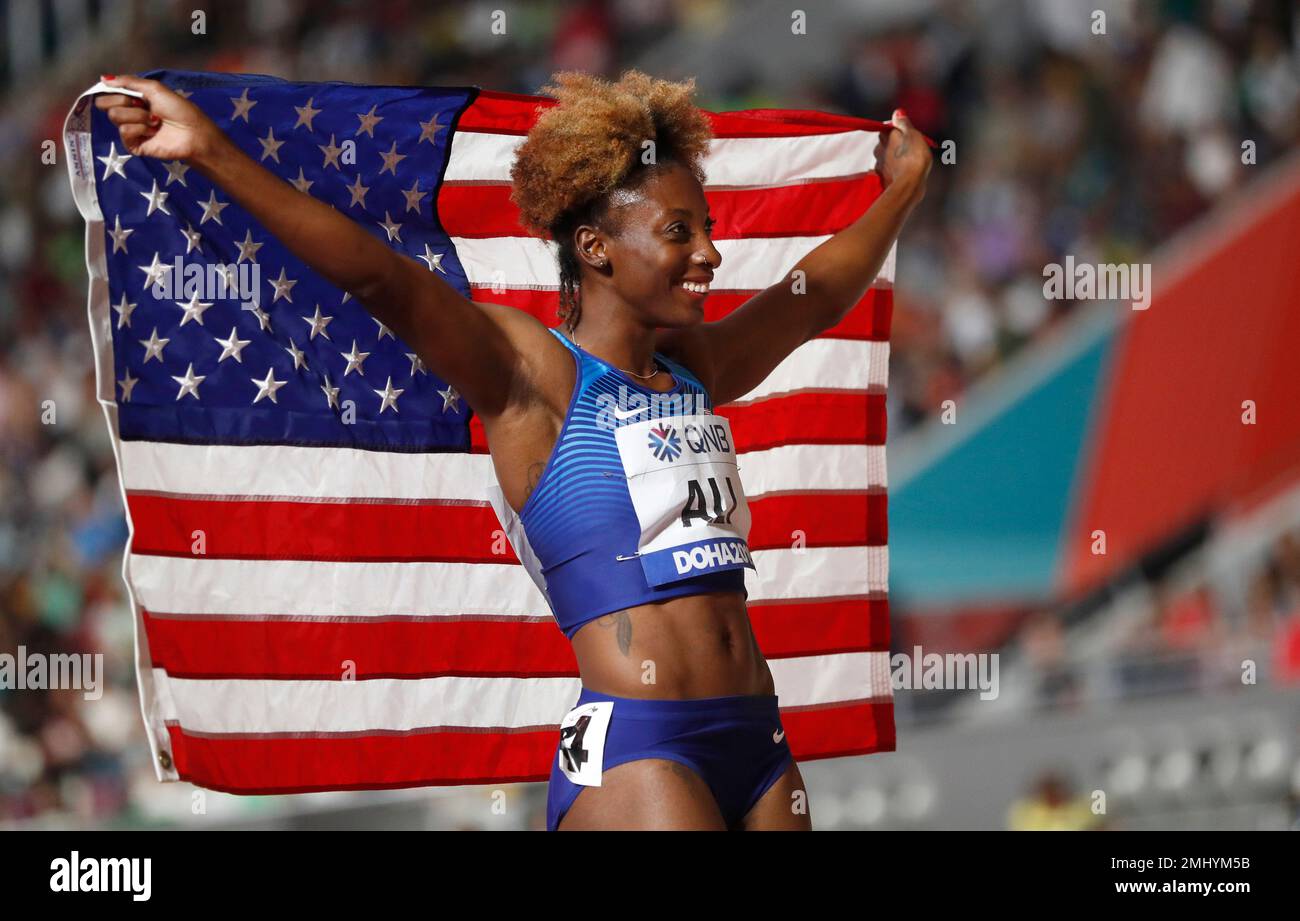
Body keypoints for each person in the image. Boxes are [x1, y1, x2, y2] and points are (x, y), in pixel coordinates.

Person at [95, 68, 931, 830]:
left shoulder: (693, 372)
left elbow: (812, 298)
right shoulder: (532, 375)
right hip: (642, 746)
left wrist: (903, 191)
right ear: (596, 248)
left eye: (707, 229)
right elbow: (383, 279)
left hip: (758, 735)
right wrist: (209, 151)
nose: (710, 253)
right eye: (681, 232)